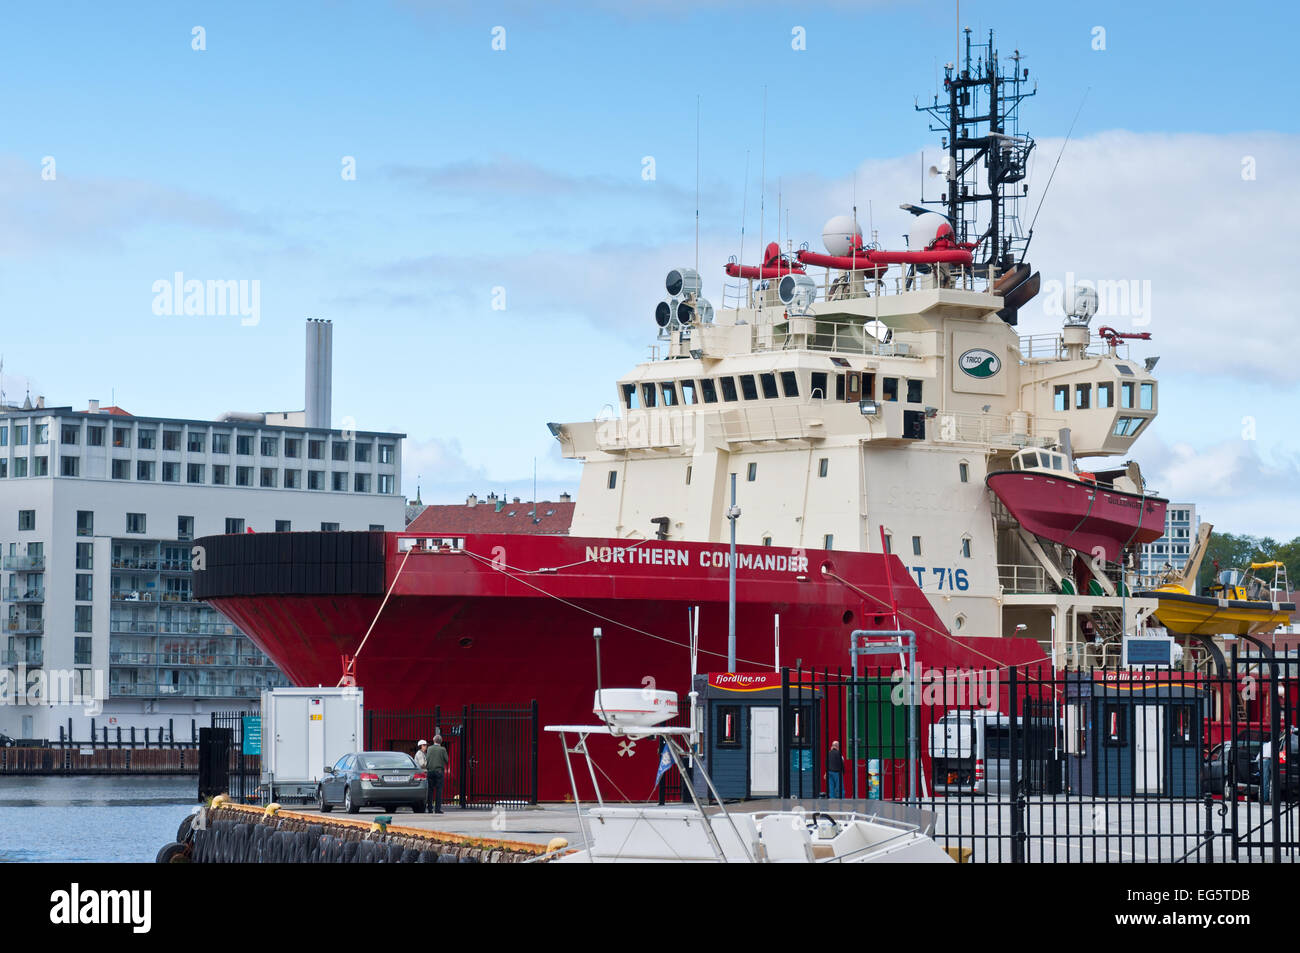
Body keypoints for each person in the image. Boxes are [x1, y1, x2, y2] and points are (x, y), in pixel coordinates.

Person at [426, 734, 450, 813]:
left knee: (430, 790)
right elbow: (446, 760)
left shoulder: (429, 748)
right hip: (439, 771)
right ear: (441, 741)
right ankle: (437, 809)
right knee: (439, 790)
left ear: (433, 740)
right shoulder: (442, 749)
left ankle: (429, 808)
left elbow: (427, 759)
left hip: (430, 771)